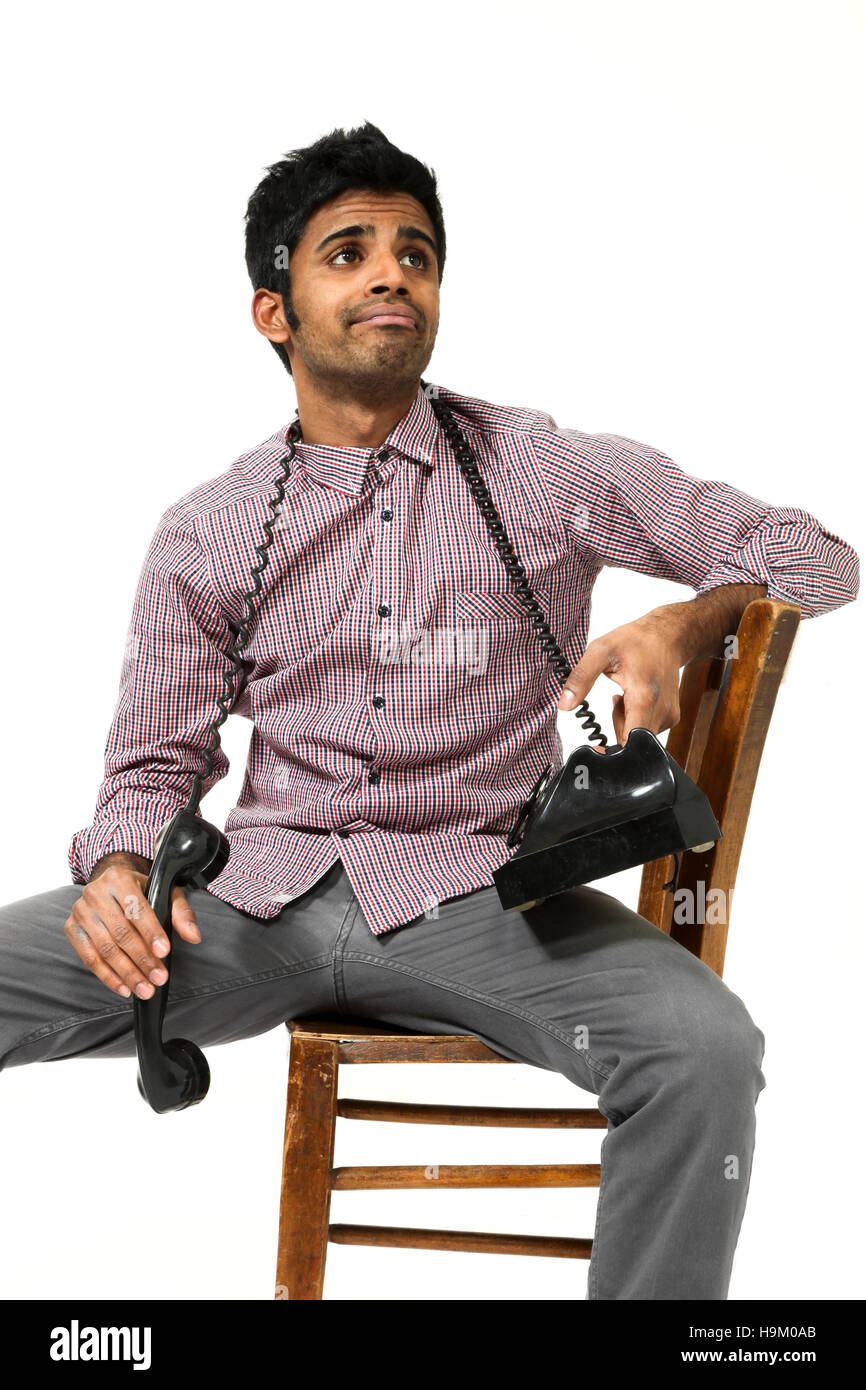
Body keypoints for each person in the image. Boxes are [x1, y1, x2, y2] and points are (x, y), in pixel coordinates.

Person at [0, 123, 858, 1300]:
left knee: (701, 1046)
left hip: (484, 900)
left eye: (414, 252)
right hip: (250, 902)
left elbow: (812, 556)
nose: (390, 272)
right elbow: (153, 764)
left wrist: (688, 620)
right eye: (345, 252)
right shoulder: (209, 525)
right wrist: (116, 867)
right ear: (274, 311)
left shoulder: (538, 467)